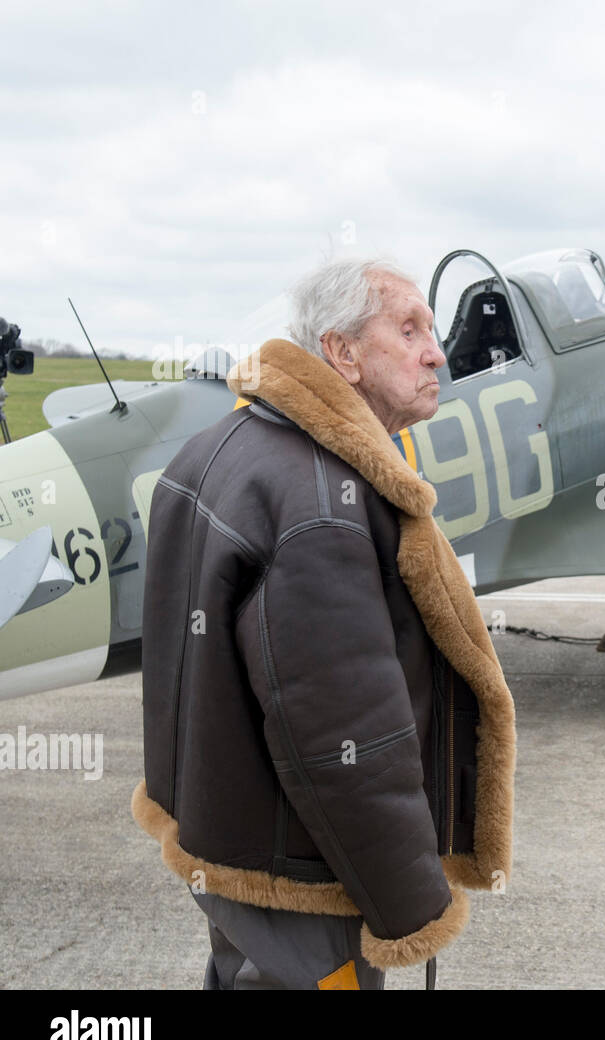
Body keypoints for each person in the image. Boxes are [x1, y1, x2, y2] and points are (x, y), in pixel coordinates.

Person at [131, 257, 516, 989]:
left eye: (432, 331)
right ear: (342, 353)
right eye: (409, 330)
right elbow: (345, 738)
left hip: (236, 850)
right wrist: (410, 903)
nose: (437, 354)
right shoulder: (321, 506)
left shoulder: (219, 446)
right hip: (310, 876)